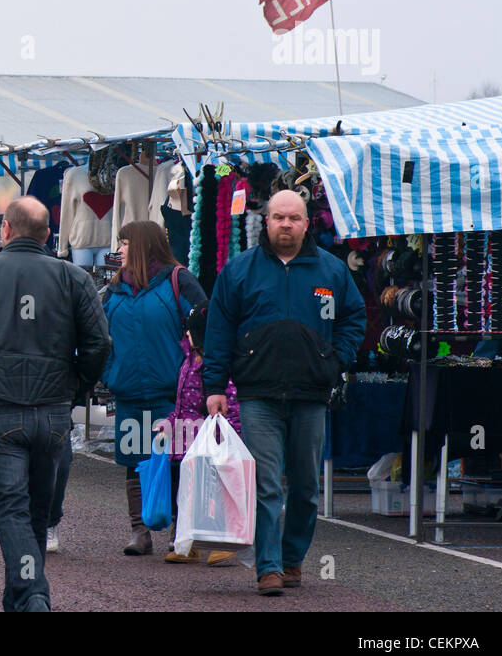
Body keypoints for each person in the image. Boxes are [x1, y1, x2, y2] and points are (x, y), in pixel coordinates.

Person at [0, 196, 110, 612]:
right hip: (51, 407)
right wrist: (78, 388)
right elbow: (99, 344)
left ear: (5, 231)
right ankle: (21, 598)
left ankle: (32, 593)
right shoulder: (74, 278)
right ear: (48, 234)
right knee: (33, 512)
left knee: (11, 512)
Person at [204, 189, 365, 596]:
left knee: (307, 487)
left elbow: (354, 317)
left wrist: (335, 358)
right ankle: (269, 567)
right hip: (258, 394)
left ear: (307, 222)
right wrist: (215, 386)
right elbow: (218, 330)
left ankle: (293, 560)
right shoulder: (240, 271)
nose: (286, 225)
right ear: (267, 220)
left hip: (311, 395)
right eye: (279, 218)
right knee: (267, 484)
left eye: (294, 218)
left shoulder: (331, 271)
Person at [102, 219, 206, 556]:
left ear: (144, 245)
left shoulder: (178, 280)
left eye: (125, 243)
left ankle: (180, 532)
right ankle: (140, 531)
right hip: (129, 392)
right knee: (134, 461)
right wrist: (108, 374)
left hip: (172, 397)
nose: (119, 250)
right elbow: (100, 338)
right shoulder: (115, 288)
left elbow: (205, 324)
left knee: (175, 461)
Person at [154, 304, 241, 565]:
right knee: (188, 495)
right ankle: (189, 543)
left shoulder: (217, 366)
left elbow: (231, 407)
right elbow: (182, 403)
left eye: (191, 332)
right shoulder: (189, 360)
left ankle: (222, 543)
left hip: (208, 442)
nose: (187, 336)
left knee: (212, 495)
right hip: (186, 440)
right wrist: (168, 423)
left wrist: (227, 436)